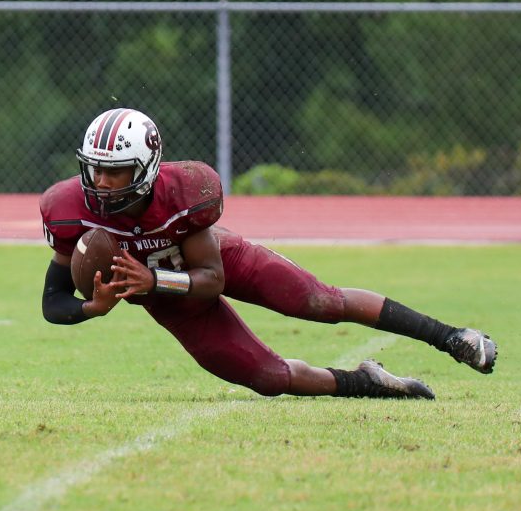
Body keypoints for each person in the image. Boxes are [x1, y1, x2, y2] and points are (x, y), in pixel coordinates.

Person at [39, 108, 496, 400]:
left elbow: (211, 277)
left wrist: (153, 280)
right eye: (94, 168)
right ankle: (366, 382)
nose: (99, 181)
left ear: (146, 169)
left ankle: (452, 337)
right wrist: (89, 309)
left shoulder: (185, 193)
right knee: (268, 379)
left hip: (218, 263)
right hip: (173, 306)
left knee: (321, 302)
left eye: (114, 172)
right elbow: (52, 301)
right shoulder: (69, 210)